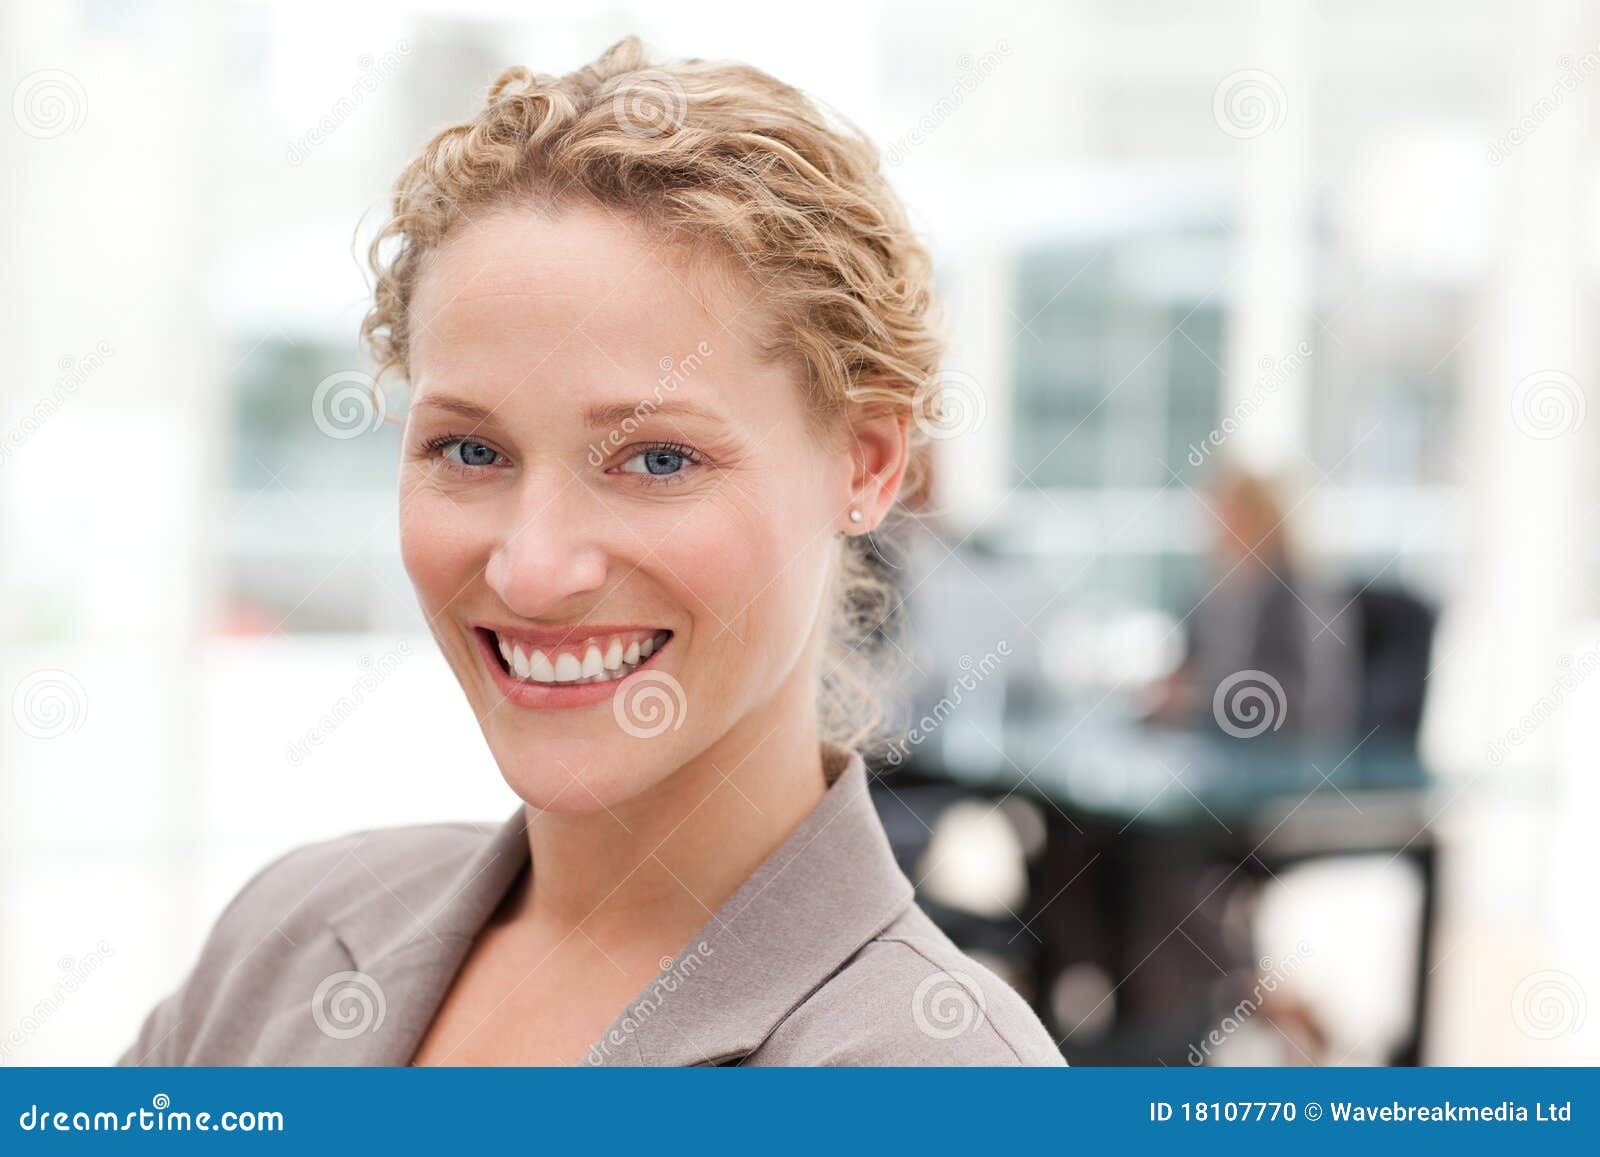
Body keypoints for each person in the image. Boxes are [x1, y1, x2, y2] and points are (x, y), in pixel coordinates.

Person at [118, 37, 1063, 1067]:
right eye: (469, 448)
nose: (532, 570)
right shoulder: (284, 941)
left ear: (867, 464)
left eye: (657, 457)